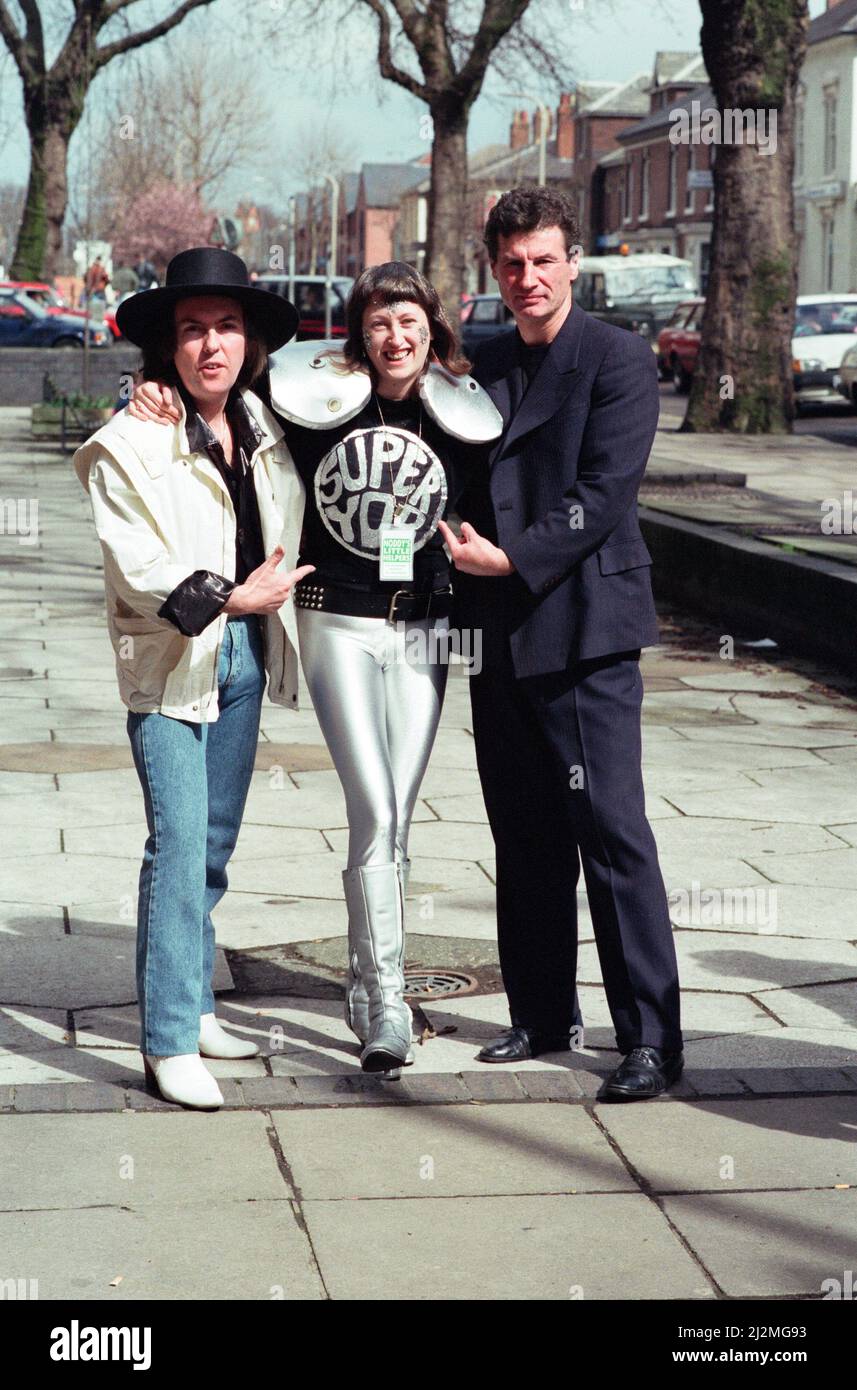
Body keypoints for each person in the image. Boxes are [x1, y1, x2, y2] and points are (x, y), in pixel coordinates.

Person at [128, 262, 503, 1077]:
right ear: (357, 334)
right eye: (376, 322)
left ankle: (372, 992)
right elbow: (216, 393)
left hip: (426, 634)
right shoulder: (310, 402)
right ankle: (388, 1003)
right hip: (337, 620)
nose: (393, 337)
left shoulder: (466, 412)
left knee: (393, 817)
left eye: (407, 321)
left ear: (431, 328)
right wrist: (147, 385)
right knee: (371, 803)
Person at [438, 186, 684, 1101]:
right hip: (496, 633)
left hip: (584, 630)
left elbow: (606, 486)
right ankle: (541, 1015)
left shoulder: (617, 359)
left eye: (544, 260)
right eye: (511, 264)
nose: (528, 278)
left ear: (572, 262)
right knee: (524, 833)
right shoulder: (484, 361)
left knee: (611, 834)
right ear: (493, 270)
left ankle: (651, 1040)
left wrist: (514, 555)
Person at [74, 247, 311, 1110]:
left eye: (226, 327)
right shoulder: (129, 439)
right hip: (176, 661)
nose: (210, 345)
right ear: (165, 349)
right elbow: (135, 563)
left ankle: (197, 1001)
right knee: (175, 849)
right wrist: (231, 596)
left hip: (247, 657)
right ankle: (168, 1039)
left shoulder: (262, 421)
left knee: (212, 849)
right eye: (191, 330)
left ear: (249, 342)